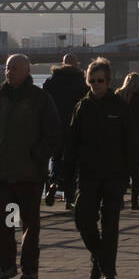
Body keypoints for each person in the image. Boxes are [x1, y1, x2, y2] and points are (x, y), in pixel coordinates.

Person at [0, 54, 63, 279]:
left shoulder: (39, 99)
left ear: (27, 71)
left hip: (30, 173)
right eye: (7, 68)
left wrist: (37, 156)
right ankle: (6, 266)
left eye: (14, 68)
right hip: (4, 172)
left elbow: (53, 134)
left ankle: (29, 271)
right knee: (3, 222)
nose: (9, 72)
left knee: (29, 223)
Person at [64, 58, 139, 279]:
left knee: (110, 224)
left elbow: (132, 144)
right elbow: (71, 144)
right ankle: (98, 255)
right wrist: (64, 176)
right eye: (92, 81)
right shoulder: (82, 108)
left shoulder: (119, 108)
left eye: (100, 81)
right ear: (88, 82)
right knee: (83, 219)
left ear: (108, 82)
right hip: (87, 175)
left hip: (115, 175)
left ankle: (109, 271)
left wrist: (137, 178)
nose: (96, 84)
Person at [42, 53, 88, 207]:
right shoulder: (82, 82)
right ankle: (69, 198)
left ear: (62, 64)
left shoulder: (51, 82)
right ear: (76, 65)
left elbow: (44, 103)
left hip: (55, 126)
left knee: (56, 158)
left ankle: (54, 183)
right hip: (74, 128)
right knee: (73, 161)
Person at [114, 71, 139, 210]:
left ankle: (120, 200)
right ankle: (135, 201)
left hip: (122, 138)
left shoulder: (119, 95)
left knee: (121, 170)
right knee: (137, 170)